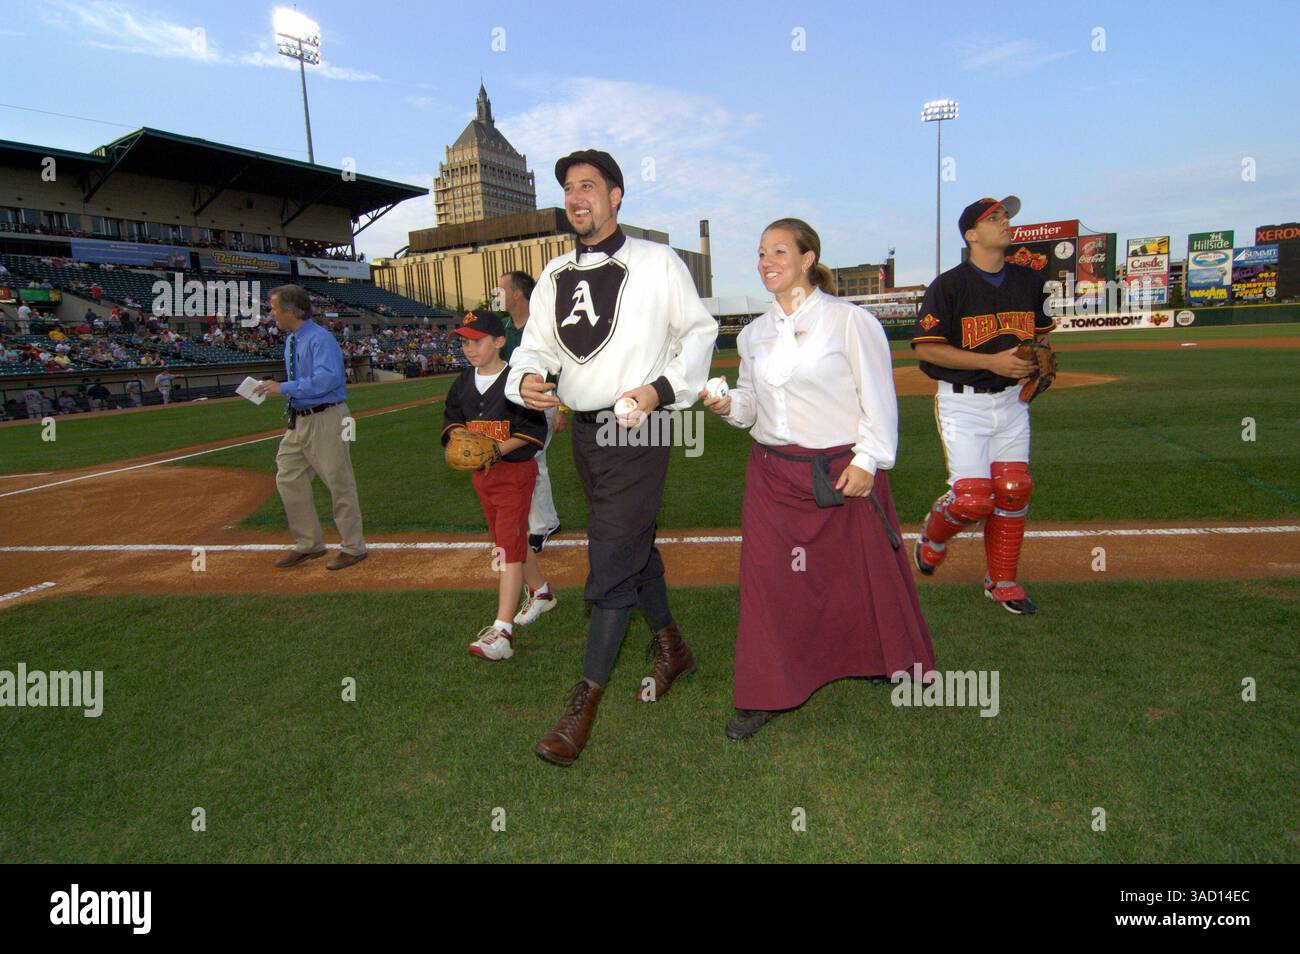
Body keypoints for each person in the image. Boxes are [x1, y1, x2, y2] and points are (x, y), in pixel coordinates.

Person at [506, 148, 717, 766]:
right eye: (569, 188)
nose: (577, 197)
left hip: (640, 425)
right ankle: (672, 646)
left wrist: (660, 391)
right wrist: (525, 380)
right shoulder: (550, 275)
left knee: (611, 553)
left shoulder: (657, 262)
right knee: (630, 544)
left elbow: (699, 333)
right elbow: (534, 347)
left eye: (589, 186)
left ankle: (584, 702)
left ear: (616, 195)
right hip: (584, 431)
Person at [703, 218, 936, 739]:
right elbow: (749, 409)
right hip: (772, 477)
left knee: (859, 574)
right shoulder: (753, 335)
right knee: (767, 583)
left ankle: (881, 658)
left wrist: (868, 460)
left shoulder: (850, 322)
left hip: (840, 471)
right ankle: (766, 692)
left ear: (808, 259)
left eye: (779, 251)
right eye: (761, 253)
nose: (767, 262)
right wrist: (724, 405)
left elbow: (878, 397)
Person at [911, 196, 1056, 614]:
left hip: (1012, 403)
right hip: (963, 405)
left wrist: (1036, 362)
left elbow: (1041, 338)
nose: (1005, 222)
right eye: (994, 218)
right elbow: (927, 349)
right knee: (973, 500)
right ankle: (933, 537)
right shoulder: (949, 286)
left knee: (1013, 490)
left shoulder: (1030, 281)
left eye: (1006, 216)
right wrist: (991, 362)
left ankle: (1002, 581)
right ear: (971, 235)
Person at [442, 310, 556, 660]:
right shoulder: (463, 381)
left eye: (476, 340)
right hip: (483, 477)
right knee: (509, 539)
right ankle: (541, 592)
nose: (469, 348)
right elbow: (452, 419)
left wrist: (495, 449)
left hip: (515, 473)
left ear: (500, 341)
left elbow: (535, 430)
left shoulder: (516, 380)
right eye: (464, 341)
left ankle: (502, 630)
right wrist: (457, 440)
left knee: (506, 547)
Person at [254, 284, 368, 571]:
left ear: (290, 311)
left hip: (328, 417)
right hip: (301, 418)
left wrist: (285, 387)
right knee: (288, 475)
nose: (272, 314)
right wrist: (278, 390)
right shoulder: (293, 340)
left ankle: (353, 547)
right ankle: (309, 543)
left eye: (274, 308)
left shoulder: (320, 339)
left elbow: (327, 379)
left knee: (338, 480)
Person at [499, 271, 565, 553]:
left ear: (517, 294)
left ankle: (543, 524)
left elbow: (561, 367)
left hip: (542, 402)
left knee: (533, 460)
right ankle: (540, 521)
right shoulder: (503, 329)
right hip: (511, 406)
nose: (496, 295)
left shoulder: (543, 326)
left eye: (501, 290)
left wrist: (561, 407)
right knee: (522, 462)